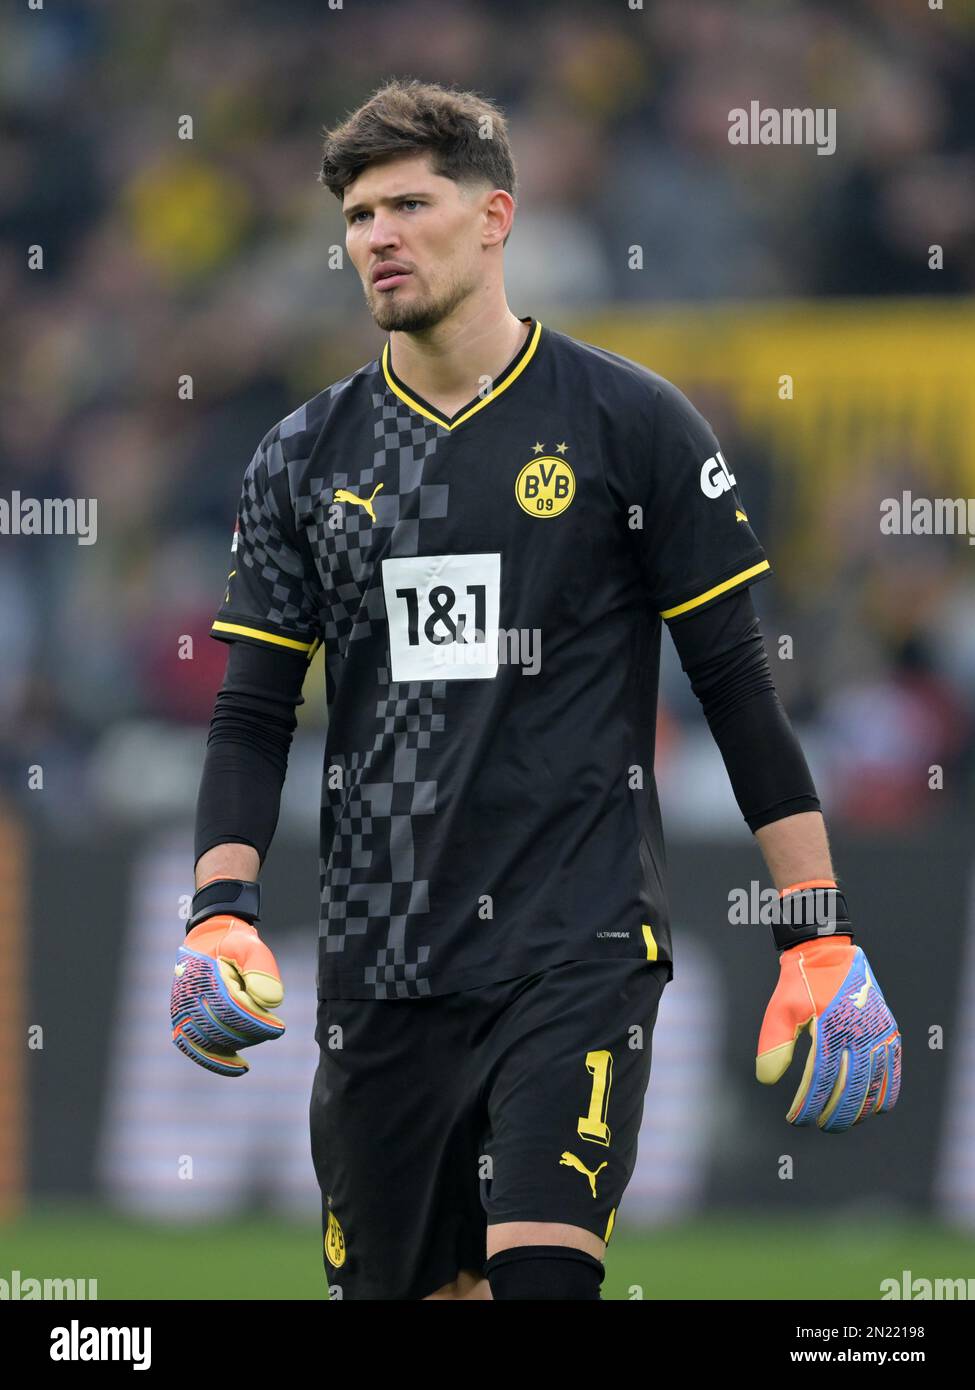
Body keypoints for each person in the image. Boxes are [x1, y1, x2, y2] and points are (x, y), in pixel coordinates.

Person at [170, 79, 901, 1302]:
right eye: (357, 216)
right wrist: (219, 908)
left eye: (410, 203)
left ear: (496, 214)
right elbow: (250, 712)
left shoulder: (631, 425)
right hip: (384, 958)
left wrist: (815, 930)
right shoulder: (305, 458)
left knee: (545, 1281)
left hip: (578, 941)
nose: (378, 237)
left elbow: (736, 686)